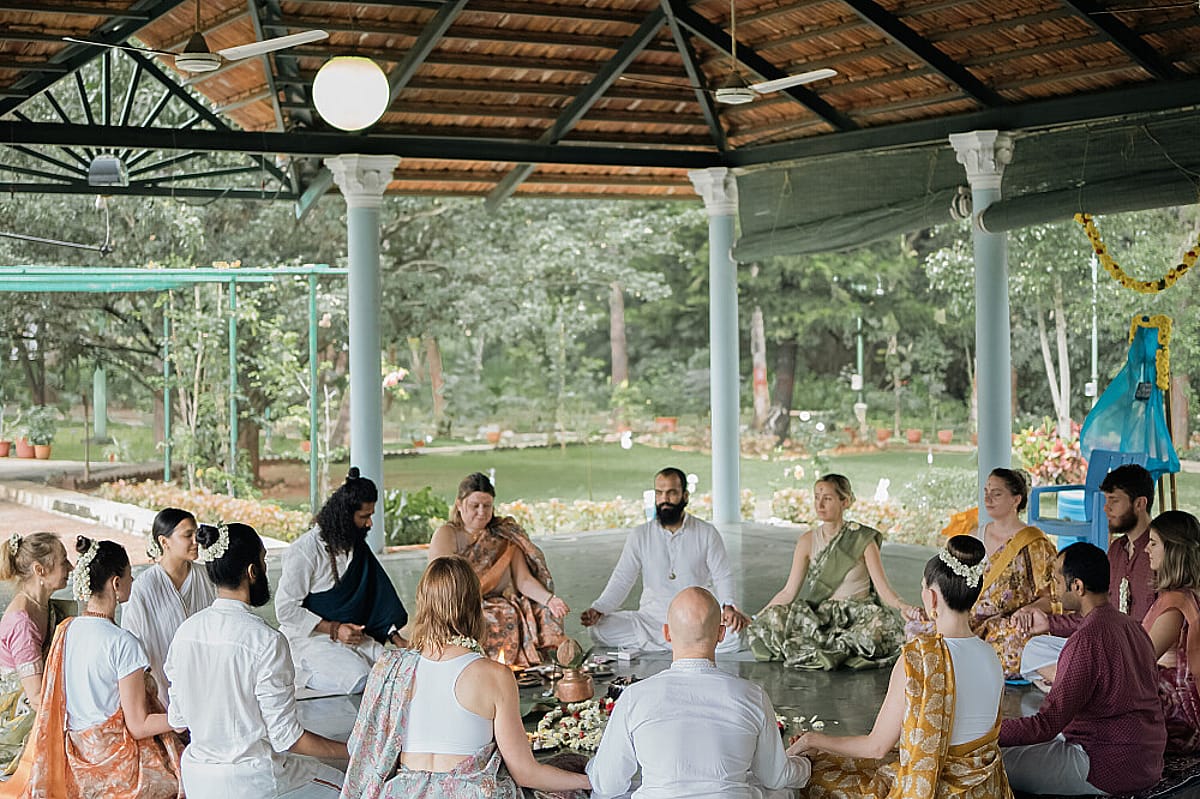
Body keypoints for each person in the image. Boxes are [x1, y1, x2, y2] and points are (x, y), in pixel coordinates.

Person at [340, 556, 591, 798]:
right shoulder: (495, 676)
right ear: (475, 604)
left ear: (423, 604)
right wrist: (587, 781)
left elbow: (363, 750)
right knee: (571, 770)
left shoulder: (391, 668)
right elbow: (526, 773)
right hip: (469, 793)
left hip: (402, 792)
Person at [791, 535, 1013, 799]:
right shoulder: (992, 655)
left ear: (931, 598)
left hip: (932, 789)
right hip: (986, 790)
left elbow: (876, 747)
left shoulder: (919, 658)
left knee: (813, 775)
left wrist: (813, 740)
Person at [165, 522, 348, 798]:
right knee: (350, 786)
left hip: (198, 780)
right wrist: (350, 749)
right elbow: (287, 738)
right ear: (252, 572)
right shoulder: (266, 640)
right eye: (263, 562)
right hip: (253, 781)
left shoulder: (184, 633)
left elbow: (178, 721)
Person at [588, 586, 811, 799]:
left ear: (666, 633)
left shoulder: (634, 697)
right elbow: (775, 777)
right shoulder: (752, 695)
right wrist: (806, 764)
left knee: (605, 791)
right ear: (721, 634)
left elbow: (608, 784)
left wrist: (592, 766)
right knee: (779, 789)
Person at [18, 536, 182, 798]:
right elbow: (138, 726)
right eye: (130, 576)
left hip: (76, 765)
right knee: (179, 777)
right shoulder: (122, 643)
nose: (133, 582)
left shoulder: (66, 630)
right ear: (116, 583)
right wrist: (185, 717)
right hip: (119, 770)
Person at [1000, 542, 1165, 796]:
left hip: (1105, 767)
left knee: (995, 762)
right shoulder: (1132, 626)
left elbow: (1046, 724)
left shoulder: (1087, 640)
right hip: (1148, 760)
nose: (1054, 590)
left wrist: (989, 732)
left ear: (1077, 586)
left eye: (1056, 580)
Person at [746, 474, 912, 670]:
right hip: (821, 617)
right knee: (775, 619)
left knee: (881, 627)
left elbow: (884, 590)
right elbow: (788, 592)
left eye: (828, 498)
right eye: (816, 497)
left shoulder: (862, 539)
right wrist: (758, 617)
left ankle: (832, 649)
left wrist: (903, 606)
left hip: (860, 615)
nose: (820, 504)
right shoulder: (807, 541)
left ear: (845, 502)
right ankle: (834, 649)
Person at [581, 468, 750, 654]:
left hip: (695, 619)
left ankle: (675, 642)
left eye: (672, 493)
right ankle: (687, 645)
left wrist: (728, 606)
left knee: (737, 634)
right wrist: (599, 608)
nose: (665, 499)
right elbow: (623, 578)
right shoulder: (640, 535)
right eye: (659, 493)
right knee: (599, 629)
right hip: (651, 620)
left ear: (685, 496)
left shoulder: (706, 532)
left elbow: (722, 575)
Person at [908, 469, 1057, 678]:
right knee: (916, 628)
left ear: (1016, 500)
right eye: (986, 491)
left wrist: (1028, 610)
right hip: (962, 617)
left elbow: (1053, 596)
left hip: (1003, 624)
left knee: (1020, 643)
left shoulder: (1035, 543)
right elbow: (948, 579)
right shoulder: (974, 534)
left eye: (996, 493)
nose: (987, 498)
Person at [1019, 463, 1157, 684]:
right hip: (1106, 645)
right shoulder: (1116, 551)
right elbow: (1096, 613)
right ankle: (1077, 683)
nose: (1106, 509)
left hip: (1140, 655)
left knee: (1082, 662)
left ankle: (1072, 684)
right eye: (1106, 500)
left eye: (1114, 501)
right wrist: (1049, 623)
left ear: (1140, 503)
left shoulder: (1160, 552)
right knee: (1036, 648)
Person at [276, 468, 409, 694]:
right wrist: (335, 629)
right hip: (312, 639)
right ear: (346, 516)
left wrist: (398, 640)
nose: (369, 524)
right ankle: (298, 672)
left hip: (354, 637)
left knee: (397, 669)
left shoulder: (355, 546)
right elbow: (285, 610)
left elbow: (378, 597)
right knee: (362, 679)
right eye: (364, 517)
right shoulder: (305, 551)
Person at [428, 472, 567, 666]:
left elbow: (523, 580)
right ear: (459, 505)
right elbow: (441, 581)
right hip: (458, 603)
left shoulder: (504, 536)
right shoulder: (447, 534)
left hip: (500, 601)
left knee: (543, 611)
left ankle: (526, 670)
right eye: (474, 506)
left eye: (487, 506)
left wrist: (550, 600)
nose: (482, 512)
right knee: (492, 615)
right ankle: (482, 670)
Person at [121, 507, 216, 708]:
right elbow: (133, 648)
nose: (195, 541)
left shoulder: (208, 578)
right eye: (187, 535)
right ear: (164, 542)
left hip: (210, 687)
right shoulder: (142, 589)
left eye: (196, 534)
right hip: (164, 696)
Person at [0, 532, 72, 777]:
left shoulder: (45, 606)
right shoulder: (23, 622)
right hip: (16, 716)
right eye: (64, 561)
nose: (71, 567)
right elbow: (36, 697)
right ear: (40, 570)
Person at [1141, 509, 1200, 753]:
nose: (1146, 549)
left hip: (1179, 714)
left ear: (1173, 551)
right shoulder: (1185, 594)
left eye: (1153, 543)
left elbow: (1140, 661)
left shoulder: (1176, 605)